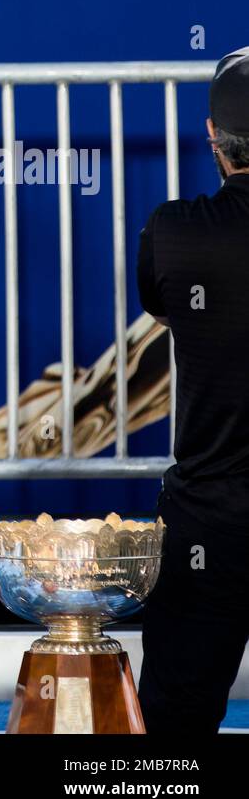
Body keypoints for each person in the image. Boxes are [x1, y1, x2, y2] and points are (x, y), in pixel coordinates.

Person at [137, 47, 249, 733]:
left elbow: (158, 302)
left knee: (175, 727)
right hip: (211, 515)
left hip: (210, 520)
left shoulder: (173, 231)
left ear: (213, 137)